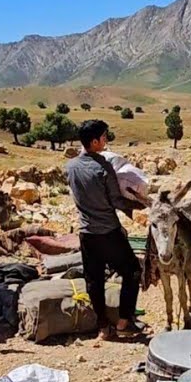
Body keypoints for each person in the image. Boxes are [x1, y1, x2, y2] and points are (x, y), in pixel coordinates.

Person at [65, 120, 144, 340]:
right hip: (108, 232)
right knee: (132, 271)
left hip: (87, 233)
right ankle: (124, 321)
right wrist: (140, 204)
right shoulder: (103, 167)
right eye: (103, 137)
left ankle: (103, 326)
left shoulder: (70, 167)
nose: (106, 141)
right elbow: (117, 201)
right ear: (94, 141)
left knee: (94, 279)